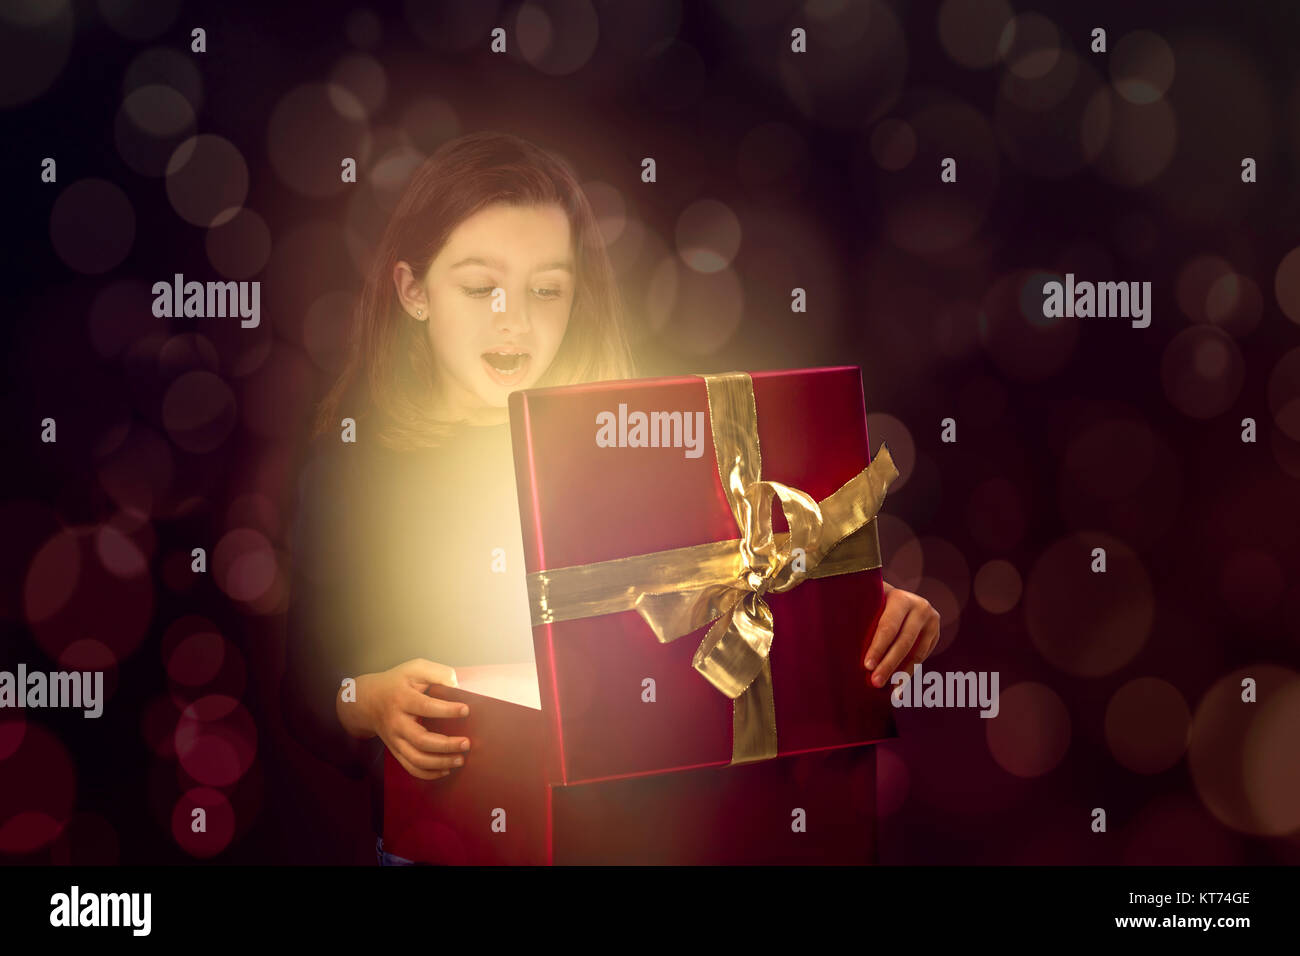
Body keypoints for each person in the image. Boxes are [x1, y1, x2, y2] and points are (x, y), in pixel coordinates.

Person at [280, 131, 940, 866]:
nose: (514, 318)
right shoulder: (354, 469)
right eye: (478, 287)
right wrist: (368, 699)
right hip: (445, 842)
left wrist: (854, 608)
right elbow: (305, 687)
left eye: (546, 290)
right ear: (413, 292)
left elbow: (722, 593)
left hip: (634, 835)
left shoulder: (638, 440)